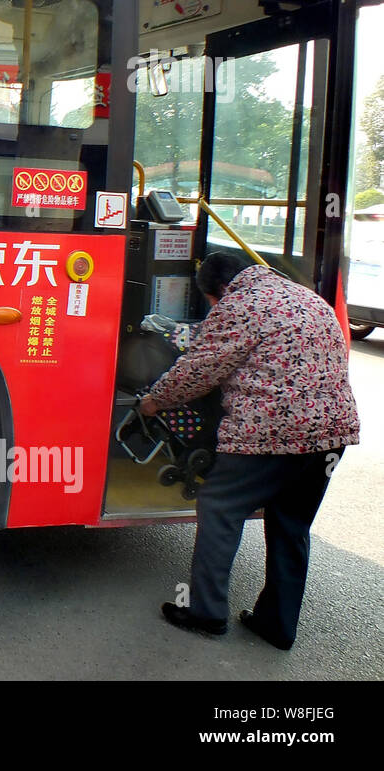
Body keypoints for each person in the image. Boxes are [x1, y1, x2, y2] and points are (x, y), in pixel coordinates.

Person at [139, 251, 359, 649]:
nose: (212, 308)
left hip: (271, 433)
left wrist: (154, 401)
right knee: (290, 524)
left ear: (220, 290)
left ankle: (205, 612)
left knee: (220, 506)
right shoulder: (308, 297)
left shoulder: (239, 305)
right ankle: (277, 624)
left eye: (209, 302)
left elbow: (198, 371)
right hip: (333, 433)